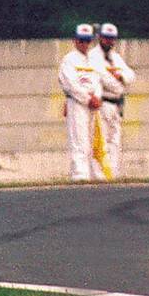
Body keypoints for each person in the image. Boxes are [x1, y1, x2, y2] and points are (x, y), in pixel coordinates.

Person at [58, 23, 103, 181]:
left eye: (87, 41)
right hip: (77, 104)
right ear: (75, 40)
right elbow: (71, 85)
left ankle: (90, 175)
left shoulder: (92, 60)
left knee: (91, 141)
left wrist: (96, 97)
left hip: (92, 105)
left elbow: (97, 81)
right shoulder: (68, 60)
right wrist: (88, 98)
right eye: (81, 40)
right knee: (79, 140)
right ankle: (79, 176)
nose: (84, 44)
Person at [92, 22, 136, 178]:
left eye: (112, 39)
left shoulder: (115, 58)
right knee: (100, 141)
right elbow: (105, 80)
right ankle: (99, 176)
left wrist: (121, 77)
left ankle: (113, 175)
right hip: (103, 103)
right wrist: (119, 81)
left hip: (116, 104)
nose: (109, 41)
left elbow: (131, 75)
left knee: (115, 141)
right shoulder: (93, 57)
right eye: (106, 38)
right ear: (100, 38)